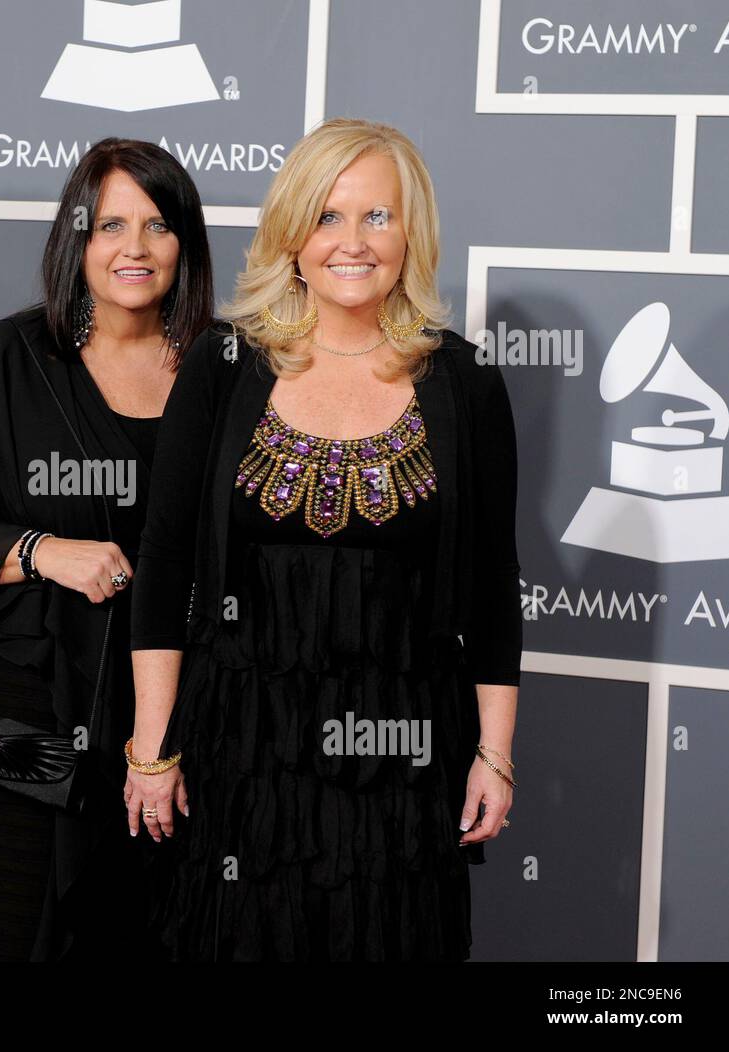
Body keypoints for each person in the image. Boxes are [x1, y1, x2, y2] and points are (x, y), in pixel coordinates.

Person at [126, 118, 521, 961]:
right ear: (291, 233)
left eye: (377, 217)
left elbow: (493, 584)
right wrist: (151, 749)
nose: (352, 243)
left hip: (406, 756)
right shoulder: (222, 365)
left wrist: (495, 754)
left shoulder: (465, 381)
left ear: (410, 232)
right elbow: (162, 567)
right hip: (242, 748)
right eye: (328, 216)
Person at [0, 138, 213, 960]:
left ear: (187, 244)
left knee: (152, 935)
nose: (133, 249)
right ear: (77, 239)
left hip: (171, 716)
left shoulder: (228, 371)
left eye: (156, 225)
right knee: (13, 938)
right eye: (109, 225)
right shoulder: (10, 355)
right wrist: (40, 549)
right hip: (12, 707)